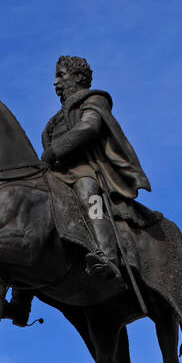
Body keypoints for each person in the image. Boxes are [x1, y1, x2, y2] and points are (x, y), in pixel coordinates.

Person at [40, 55, 151, 282]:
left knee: (88, 193)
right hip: (57, 172)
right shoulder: (55, 119)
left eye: (61, 75)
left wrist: (54, 150)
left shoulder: (94, 100)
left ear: (78, 77)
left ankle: (108, 257)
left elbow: (89, 127)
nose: (55, 82)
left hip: (86, 170)